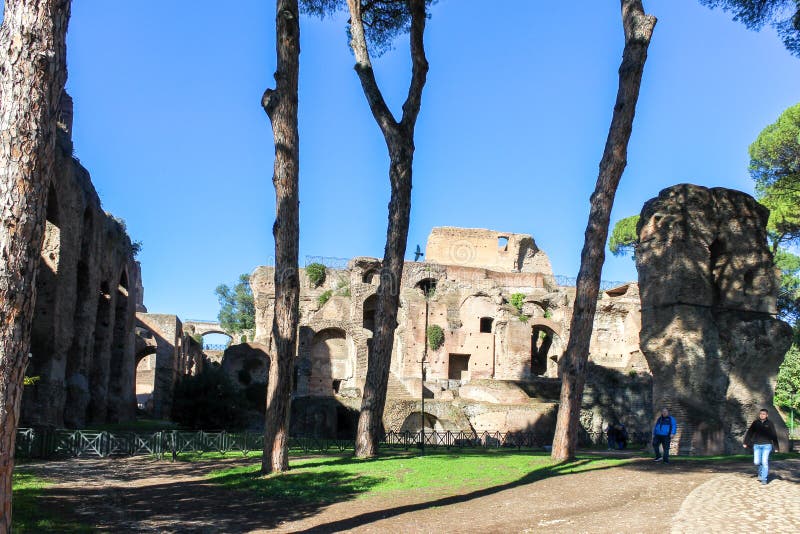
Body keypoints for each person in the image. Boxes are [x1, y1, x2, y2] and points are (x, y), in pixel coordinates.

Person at [743, 408, 779, 485]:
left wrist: (776, 447)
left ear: (766, 415)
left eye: (763, 414)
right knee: (757, 462)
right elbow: (750, 433)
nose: (762, 415)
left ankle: (764, 479)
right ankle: (760, 473)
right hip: (757, 445)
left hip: (767, 445)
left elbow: (774, 435)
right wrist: (745, 442)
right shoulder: (755, 423)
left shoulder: (770, 423)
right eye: (760, 414)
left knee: (764, 462)